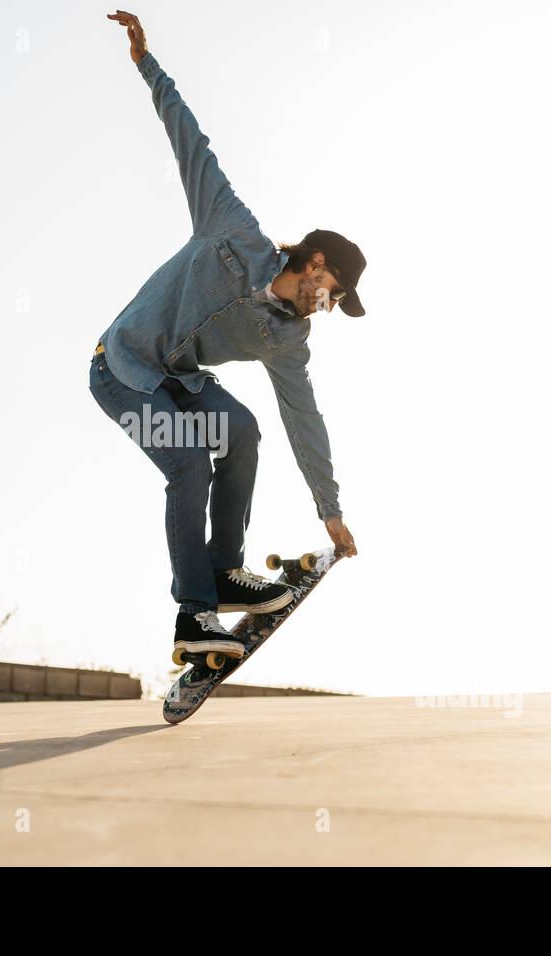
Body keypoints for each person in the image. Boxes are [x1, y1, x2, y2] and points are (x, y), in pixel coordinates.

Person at [93, 10, 363, 664]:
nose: (327, 309)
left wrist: (329, 510)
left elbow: (306, 418)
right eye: (334, 296)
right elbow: (191, 140)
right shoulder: (230, 226)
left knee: (240, 430)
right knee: (187, 460)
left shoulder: (289, 341)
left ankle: (223, 571)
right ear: (316, 266)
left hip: (181, 384)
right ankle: (194, 615)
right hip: (121, 372)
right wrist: (146, 63)